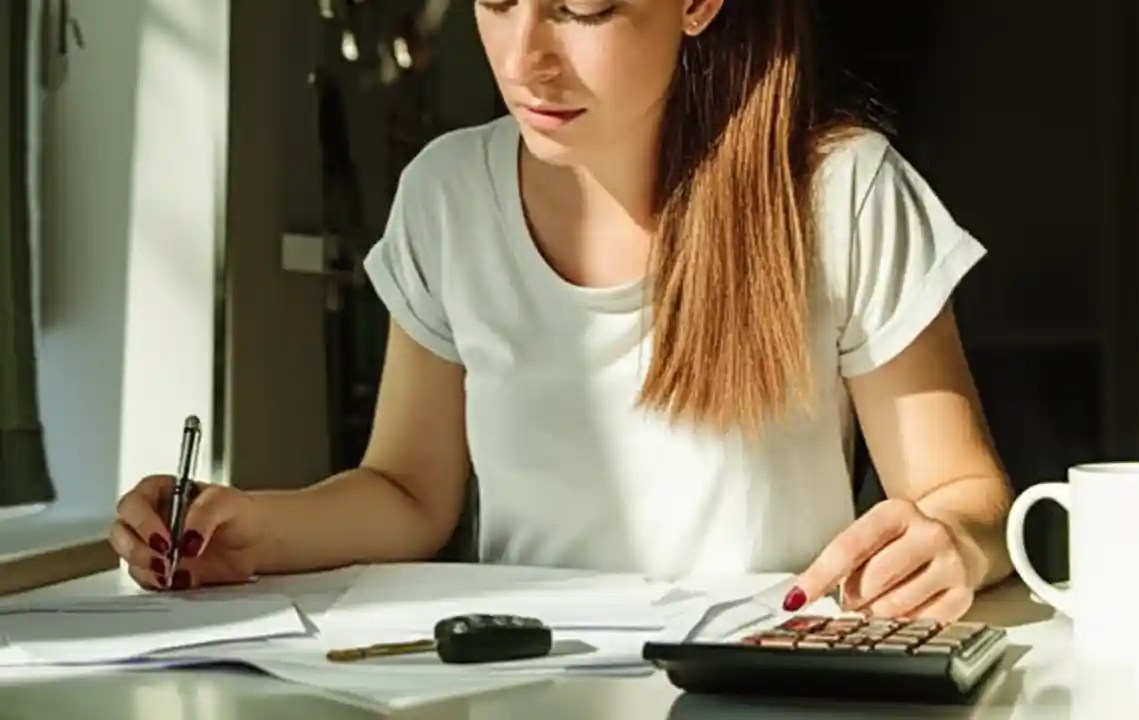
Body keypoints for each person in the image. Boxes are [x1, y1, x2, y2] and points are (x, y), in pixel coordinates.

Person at [110, 0, 1014, 621]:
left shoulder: (837, 192)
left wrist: (956, 547)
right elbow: (410, 494)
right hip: (518, 683)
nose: (523, 58)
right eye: (498, 1)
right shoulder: (448, 197)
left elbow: (964, 496)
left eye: (582, 10)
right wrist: (246, 529)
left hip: (754, 692)